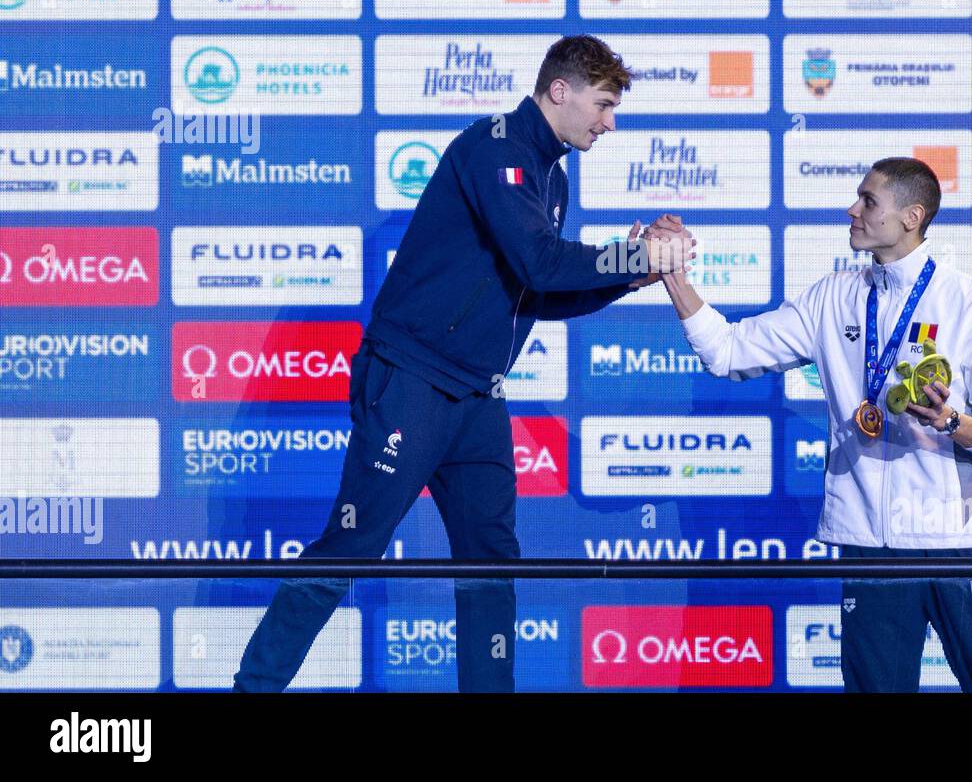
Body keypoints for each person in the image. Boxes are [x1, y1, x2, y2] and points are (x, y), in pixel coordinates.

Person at [234, 35, 691, 692]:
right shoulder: (498, 146)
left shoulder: (551, 175)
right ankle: (251, 691)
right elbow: (540, 261)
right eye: (603, 104)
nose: (610, 122)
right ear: (560, 90)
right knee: (349, 549)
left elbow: (534, 294)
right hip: (412, 382)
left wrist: (631, 274)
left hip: (478, 396)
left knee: (491, 567)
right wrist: (636, 257)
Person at [654, 156, 972, 692]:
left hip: (960, 541)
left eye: (868, 201)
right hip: (868, 546)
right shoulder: (833, 296)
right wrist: (674, 275)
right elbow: (728, 351)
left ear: (911, 217)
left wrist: (950, 421)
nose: (852, 209)